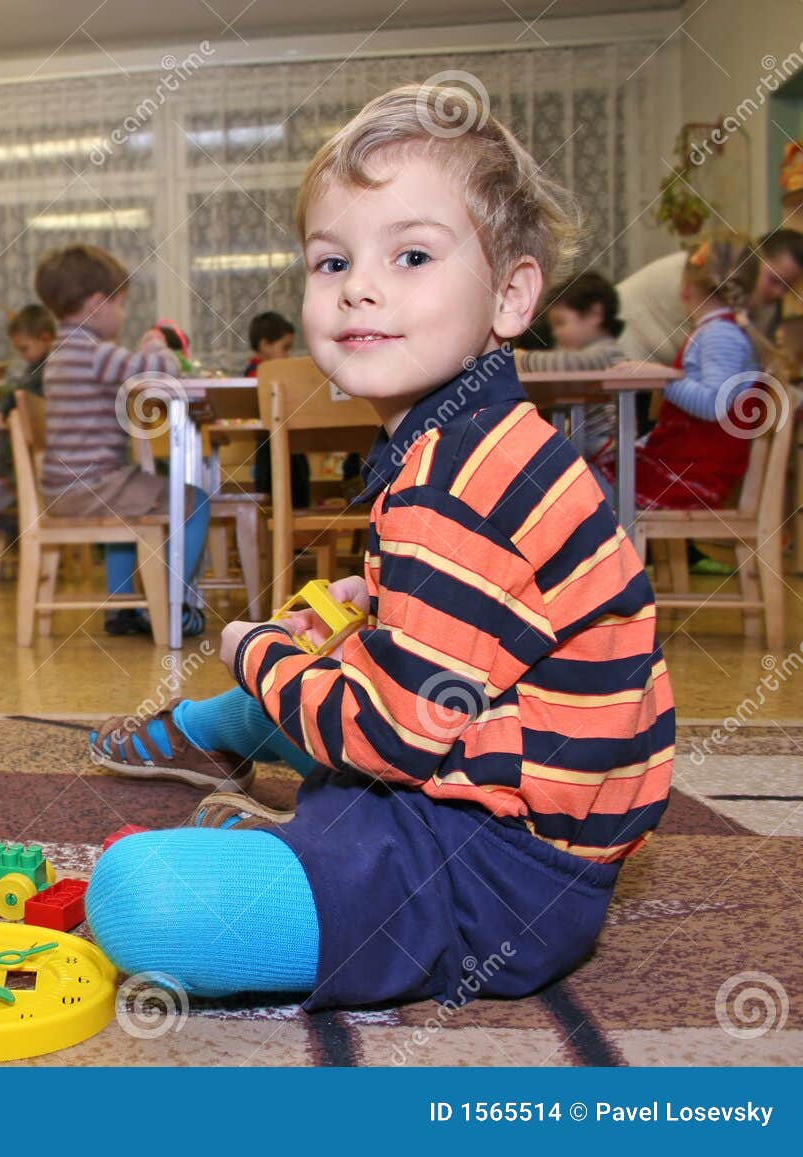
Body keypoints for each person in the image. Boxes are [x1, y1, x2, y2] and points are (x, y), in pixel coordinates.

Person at [84, 84, 671, 1009]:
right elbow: (495, 616)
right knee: (334, 657)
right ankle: (201, 741)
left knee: (134, 899)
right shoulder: (473, 436)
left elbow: (394, 733)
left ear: (512, 293)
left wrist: (255, 650)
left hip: (494, 878)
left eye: (410, 254)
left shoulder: (459, 478)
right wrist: (381, 595)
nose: (360, 285)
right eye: (331, 261)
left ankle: (224, 759)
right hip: (499, 804)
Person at [33, 244, 212, 637]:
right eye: (121, 303)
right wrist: (155, 344)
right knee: (194, 502)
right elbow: (160, 373)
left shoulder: (61, 352)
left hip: (67, 487)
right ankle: (169, 605)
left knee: (131, 506)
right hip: (93, 485)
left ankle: (122, 606)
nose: (123, 313)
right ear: (98, 304)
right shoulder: (94, 353)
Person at [600, 233, 767, 514]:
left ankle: (609, 556)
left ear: (686, 288)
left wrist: (663, 378)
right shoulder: (720, 330)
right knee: (591, 469)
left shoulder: (719, 334)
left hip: (692, 473)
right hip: (691, 465)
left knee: (581, 479)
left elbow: (714, 403)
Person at [616, 227, 802, 364]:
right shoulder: (704, 275)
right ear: (753, 259)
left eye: (787, 288)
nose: (778, 293)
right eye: (774, 280)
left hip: (653, 369)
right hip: (621, 347)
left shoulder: (762, 305)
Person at [514, 270, 629, 462]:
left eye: (561, 323)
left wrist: (520, 358)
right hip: (592, 444)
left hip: (610, 449)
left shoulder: (608, 353)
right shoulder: (589, 352)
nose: (556, 334)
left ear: (594, 314)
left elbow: (567, 365)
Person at [243, 311, 311, 506]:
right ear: (265, 345)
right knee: (272, 498)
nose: (287, 354)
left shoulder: (277, 373)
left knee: (299, 492)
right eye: (285, 347)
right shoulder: (254, 374)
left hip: (291, 442)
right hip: (269, 446)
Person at [0, 303, 55, 422]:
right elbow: (19, 389)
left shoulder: (54, 367)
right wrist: (1, 411)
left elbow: (25, 391)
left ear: (45, 339)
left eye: (24, 349)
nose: (22, 355)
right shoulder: (35, 364)